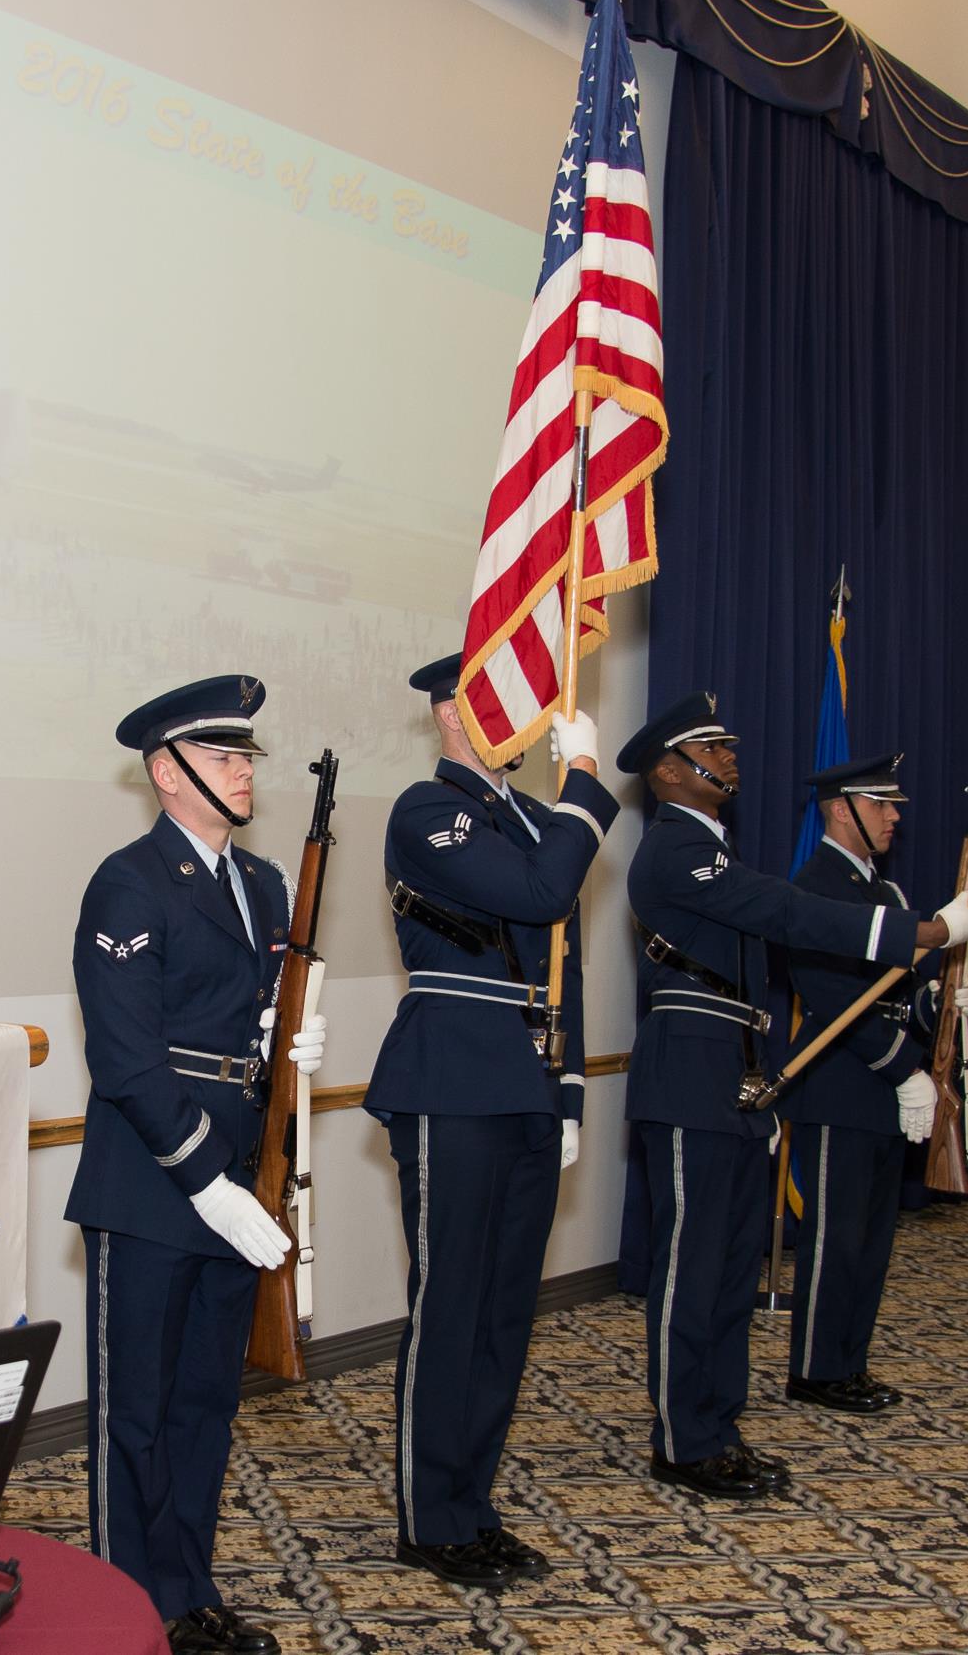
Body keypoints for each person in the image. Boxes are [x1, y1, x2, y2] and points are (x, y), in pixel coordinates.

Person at [617, 693, 968, 1501]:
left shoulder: (716, 847)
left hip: (739, 1070)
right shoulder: (676, 848)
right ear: (669, 771)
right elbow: (784, 912)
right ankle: (683, 1439)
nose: (732, 756)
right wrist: (918, 934)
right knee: (692, 1266)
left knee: (733, 1264)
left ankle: (718, 1424)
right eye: (711, 746)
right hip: (688, 1071)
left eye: (730, 742)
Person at [68, 675, 325, 1655]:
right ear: (166, 772)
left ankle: (188, 1588)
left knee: (204, 1403)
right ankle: (124, 1603)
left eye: (248, 755)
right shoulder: (128, 882)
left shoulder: (261, 883)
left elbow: (255, 1014)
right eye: (224, 756)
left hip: (239, 1179)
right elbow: (126, 1059)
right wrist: (205, 1179)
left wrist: (294, 1047)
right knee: (134, 1409)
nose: (244, 769)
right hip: (153, 1180)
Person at [367, 656, 619, 1589]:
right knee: (452, 1306)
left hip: (525, 1079)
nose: (521, 717)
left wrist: (572, 1091)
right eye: (500, 701)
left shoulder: (526, 821)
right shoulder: (428, 812)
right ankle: (430, 1520)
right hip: (453, 1073)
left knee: (505, 1315)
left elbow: (565, 964)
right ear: (451, 715)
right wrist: (583, 782)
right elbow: (541, 896)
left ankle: (472, 1505)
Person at [780, 754, 968, 1415]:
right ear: (843, 809)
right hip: (843, 1085)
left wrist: (944, 1002)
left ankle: (848, 1361)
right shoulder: (814, 886)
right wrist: (903, 1067)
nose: (894, 817)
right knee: (835, 1237)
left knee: (871, 1237)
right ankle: (814, 1367)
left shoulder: (886, 896)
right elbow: (832, 996)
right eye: (882, 805)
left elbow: (905, 991)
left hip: (892, 1088)